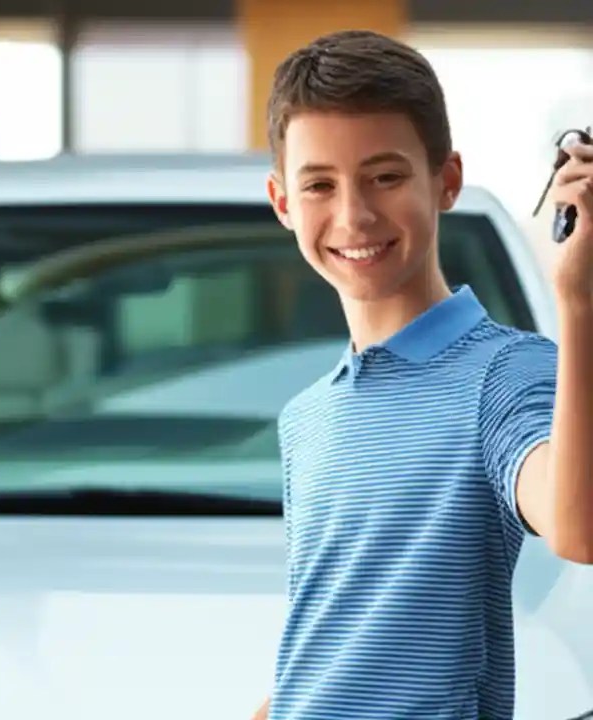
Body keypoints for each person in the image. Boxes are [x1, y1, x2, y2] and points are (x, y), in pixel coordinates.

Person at [250, 30, 593, 720]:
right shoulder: (307, 417)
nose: (354, 215)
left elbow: (577, 527)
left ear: (447, 180)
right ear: (283, 201)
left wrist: (579, 301)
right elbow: (331, 641)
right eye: (320, 184)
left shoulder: (505, 375)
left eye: (386, 176)